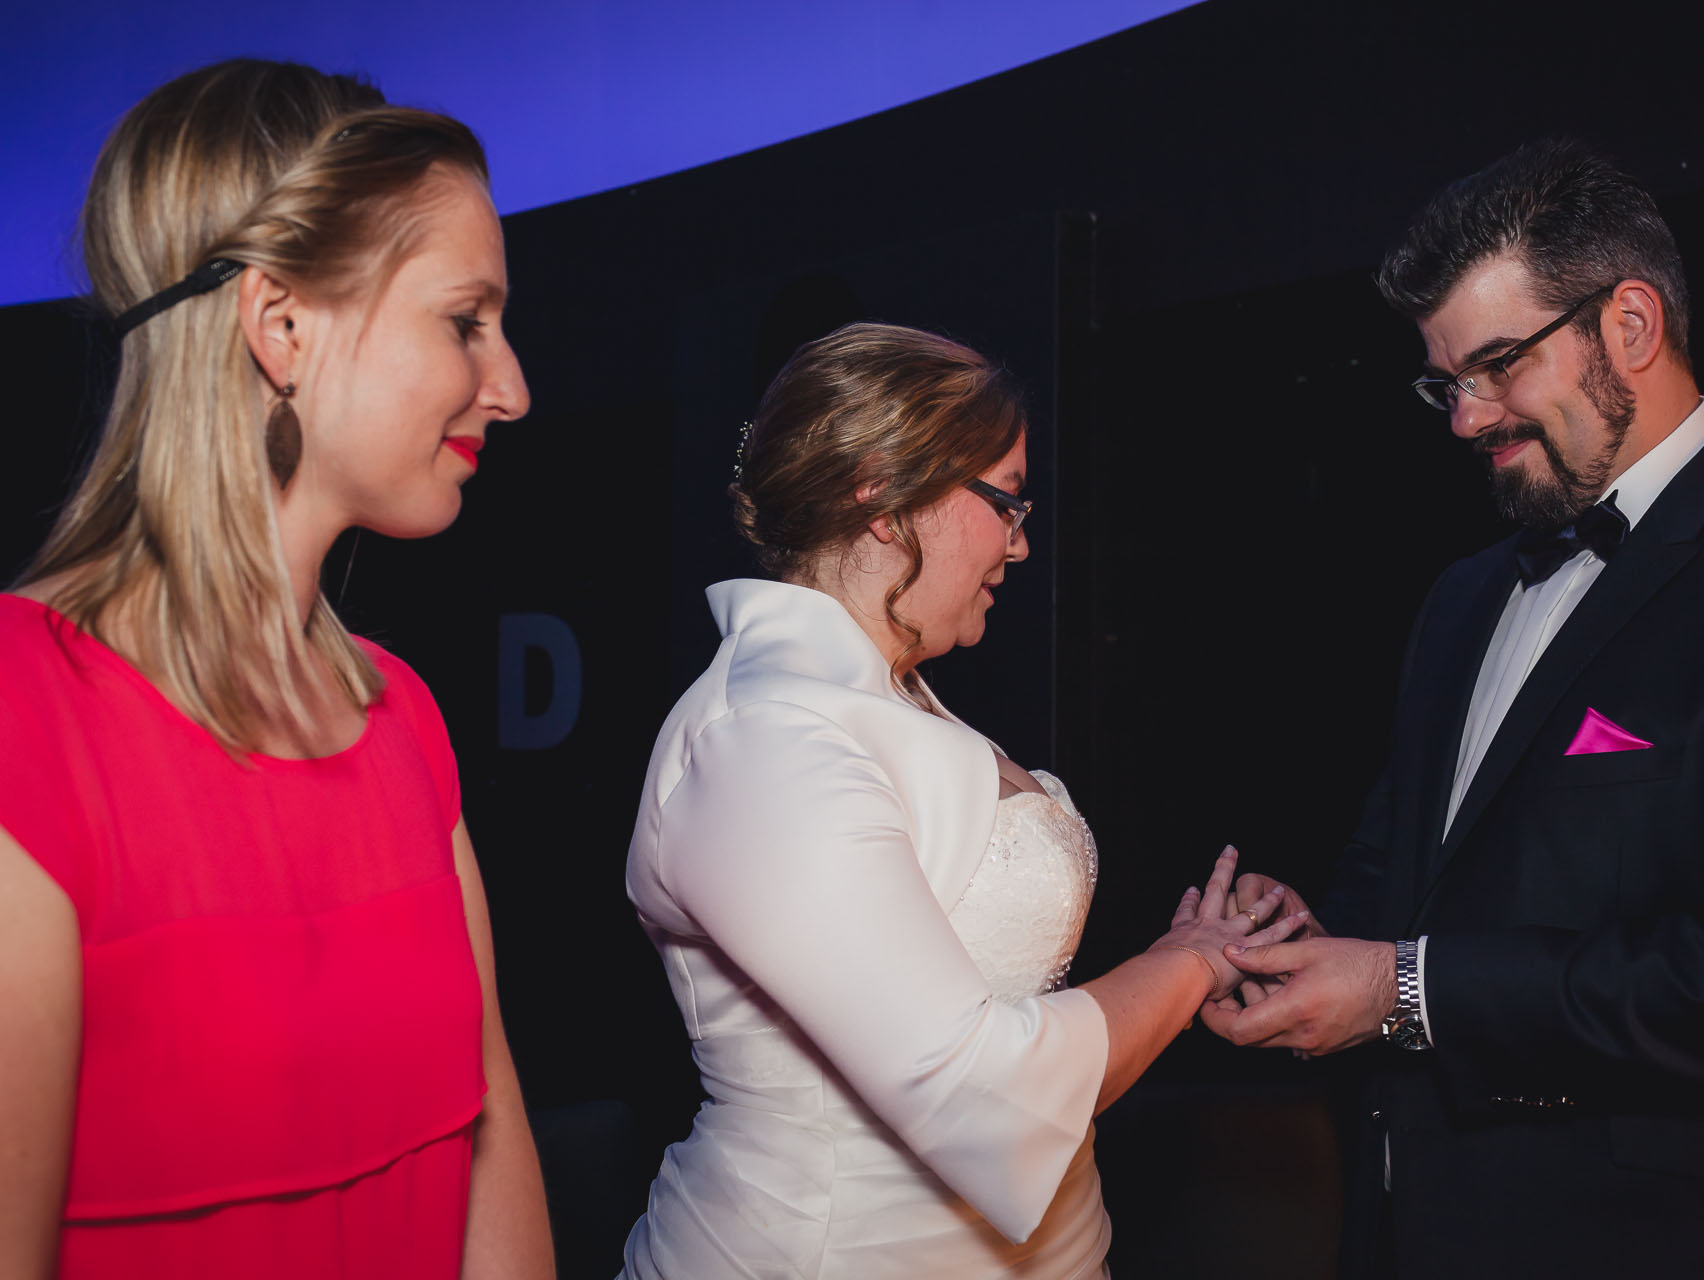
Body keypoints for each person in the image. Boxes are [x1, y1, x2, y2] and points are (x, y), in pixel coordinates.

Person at [1204, 139, 1704, 1278]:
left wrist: (1402, 990)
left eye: (1496, 365)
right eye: (1447, 382)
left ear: (1629, 325)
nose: (1465, 418)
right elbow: (1409, 883)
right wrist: (1307, 938)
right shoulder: (1462, 597)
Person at [0, 60, 553, 1278]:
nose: (509, 388)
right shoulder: (22, 718)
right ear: (281, 325)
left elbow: (491, 1143)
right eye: (465, 321)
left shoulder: (403, 718)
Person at [622, 322, 1294, 1278]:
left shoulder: (888, 693)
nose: (1020, 546)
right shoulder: (763, 738)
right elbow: (982, 1096)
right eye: (1005, 502)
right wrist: (1188, 966)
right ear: (885, 497)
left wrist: (1193, 956)